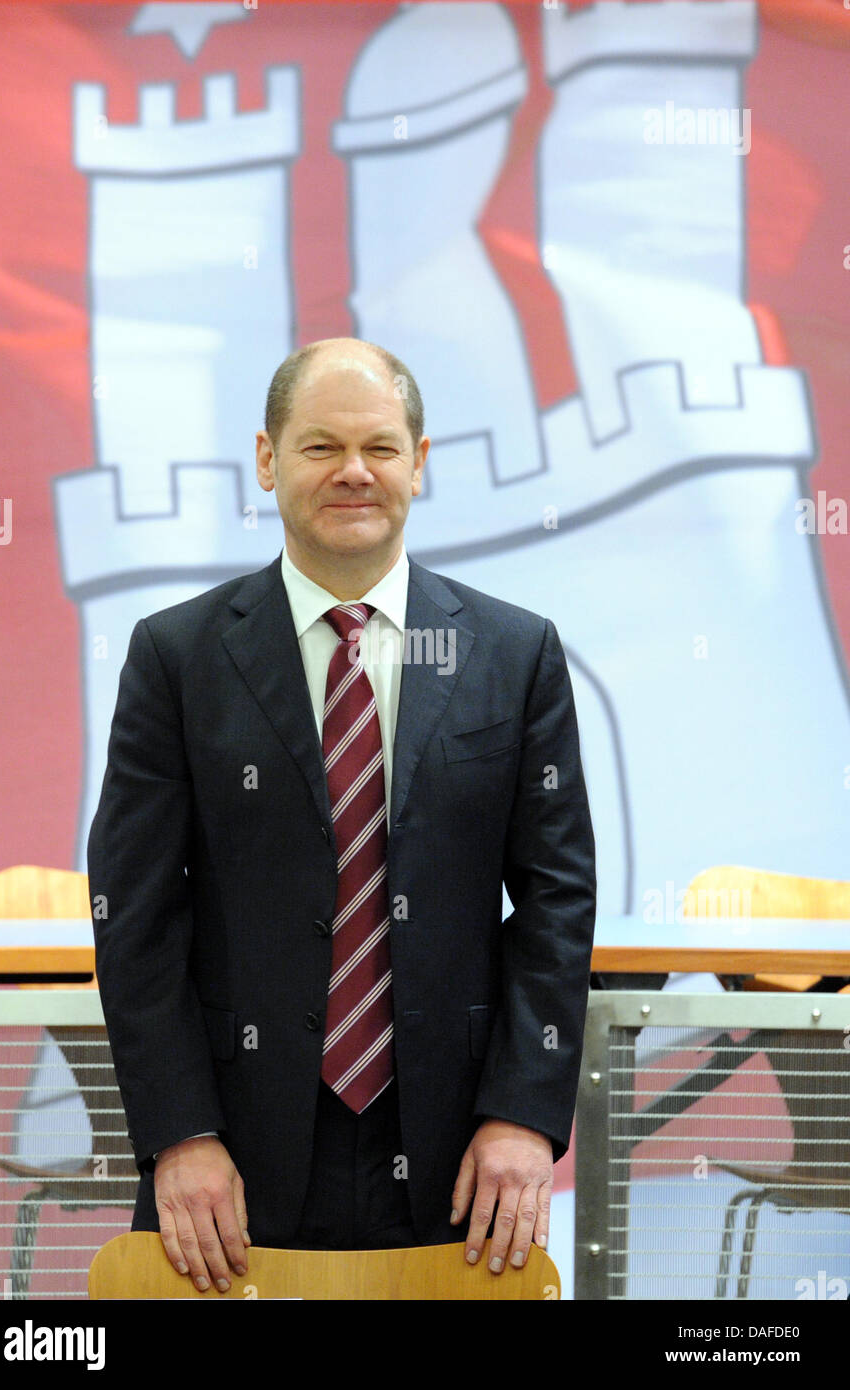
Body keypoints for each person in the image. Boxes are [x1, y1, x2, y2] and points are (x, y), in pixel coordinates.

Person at [87, 337, 596, 1294]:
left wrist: (524, 1116)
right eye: (321, 446)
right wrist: (179, 1134)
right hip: (231, 1157)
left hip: (462, 1154)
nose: (354, 471)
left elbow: (557, 902)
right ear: (267, 459)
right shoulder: (176, 658)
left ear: (419, 462)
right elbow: (136, 915)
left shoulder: (515, 654)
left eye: (380, 447)